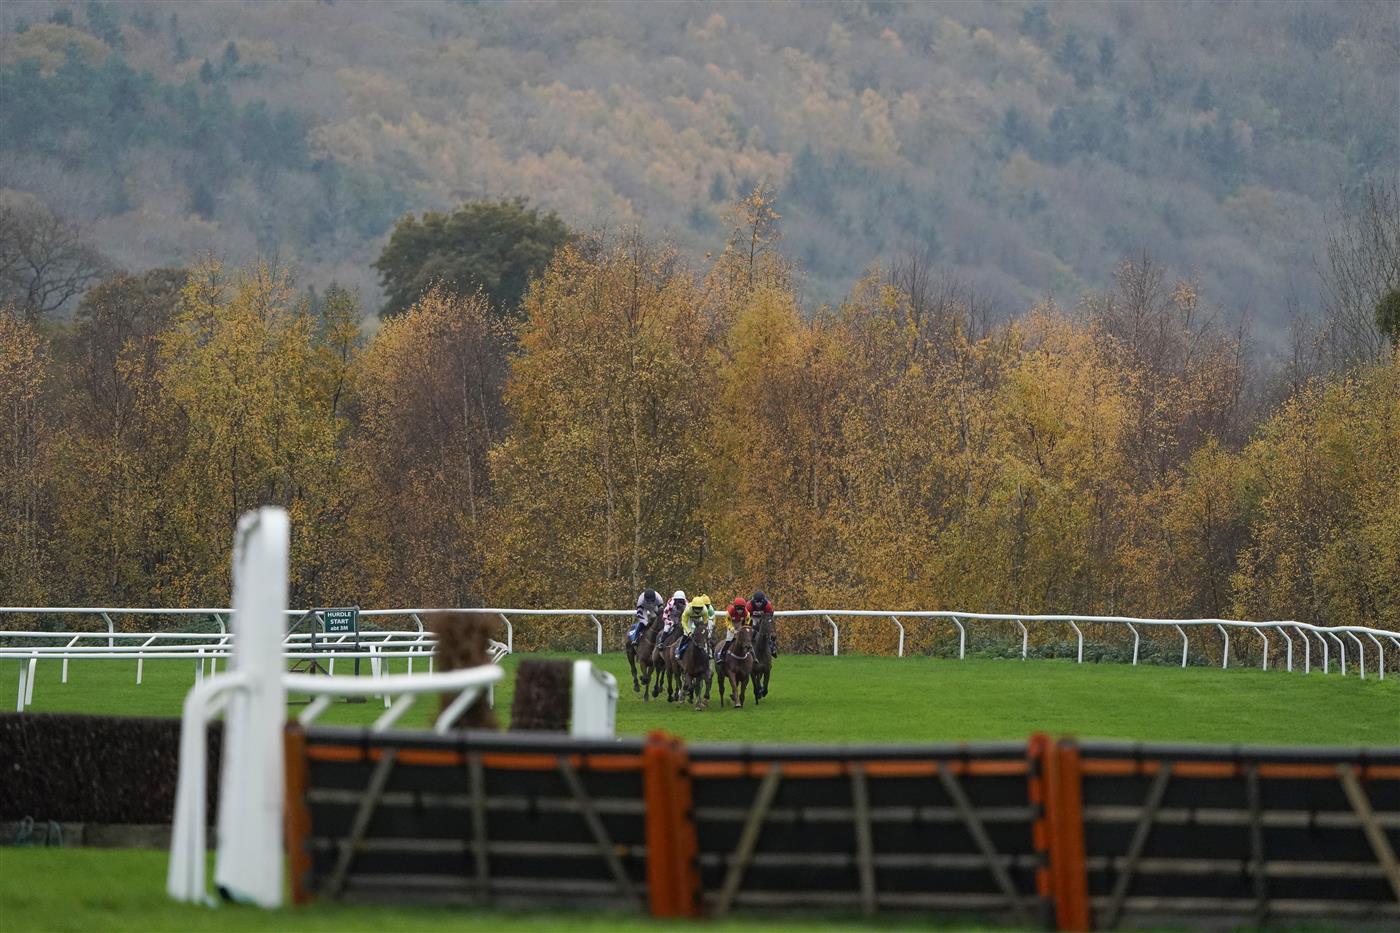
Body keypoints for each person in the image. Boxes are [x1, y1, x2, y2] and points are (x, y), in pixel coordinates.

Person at [676, 594, 713, 659]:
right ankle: (679, 651)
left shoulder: (705, 611)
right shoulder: (687, 610)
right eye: (696, 608)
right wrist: (689, 632)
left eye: (699, 608)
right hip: (689, 619)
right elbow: (684, 622)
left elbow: (705, 623)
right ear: (693, 607)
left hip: (699, 619)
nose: (698, 610)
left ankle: (709, 652)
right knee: (686, 635)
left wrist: (704, 631)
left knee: (704, 635)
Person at [715, 596, 748, 664]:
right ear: (735, 608)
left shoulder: (747, 613)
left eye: (741, 609)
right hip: (731, 624)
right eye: (738, 609)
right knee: (729, 640)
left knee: (746, 640)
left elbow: (746, 623)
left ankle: (752, 656)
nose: (740, 611)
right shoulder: (730, 611)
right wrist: (732, 630)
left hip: (739, 624)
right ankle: (721, 655)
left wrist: (743, 629)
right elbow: (727, 622)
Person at [749, 590, 777, 656]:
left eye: (760, 602)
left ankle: (773, 647)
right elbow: (746, 616)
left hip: (764, 617)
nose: (758, 604)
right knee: (752, 630)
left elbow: (769, 617)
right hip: (752, 617)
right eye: (757, 602)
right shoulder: (749, 605)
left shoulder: (768, 605)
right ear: (754, 601)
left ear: (763, 601)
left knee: (769, 630)